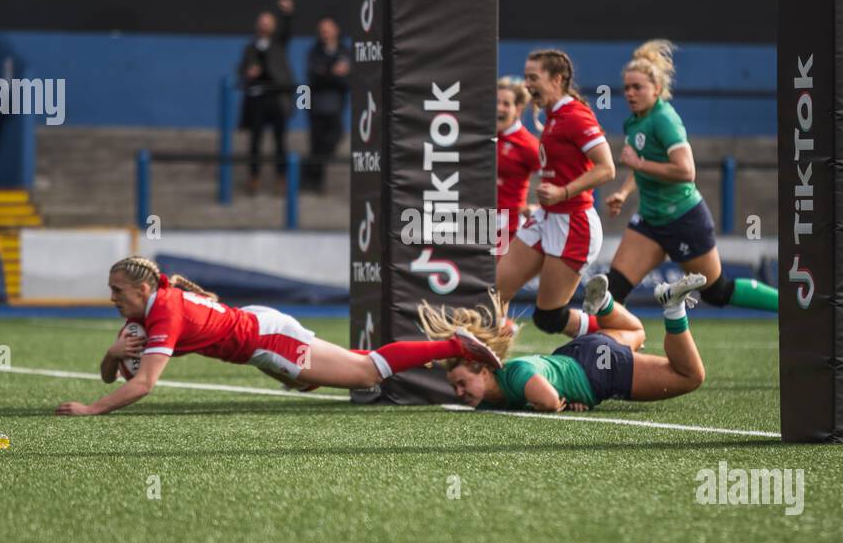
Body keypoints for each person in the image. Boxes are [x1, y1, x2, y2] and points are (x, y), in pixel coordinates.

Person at [54, 256, 503, 416]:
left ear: (143, 289)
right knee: (312, 378)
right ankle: (441, 348)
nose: (111, 297)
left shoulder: (163, 314)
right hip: (260, 337)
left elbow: (144, 384)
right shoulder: (149, 309)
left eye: (117, 291)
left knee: (366, 373)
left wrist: (92, 411)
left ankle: (455, 345)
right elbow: (116, 375)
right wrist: (111, 354)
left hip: (268, 340)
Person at [600, 41, 777, 314]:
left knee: (717, 292)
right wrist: (624, 192)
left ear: (657, 89)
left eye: (638, 87)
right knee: (613, 291)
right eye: (626, 88)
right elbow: (641, 167)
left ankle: (789, 306)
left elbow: (686, 172)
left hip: (683, 219)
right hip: (649, 221)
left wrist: (640, 163)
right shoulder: (634, 121)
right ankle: (613, 353)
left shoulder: (664, 119)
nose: (630, 93)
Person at [418, 273, 707, 412]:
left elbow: (545, 398)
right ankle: (604, 304)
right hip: (581, 352)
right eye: (456, 387)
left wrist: (561, 405)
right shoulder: (493, 394)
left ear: (483, 370)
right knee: (637, 333)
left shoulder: (515, 374)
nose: (458, 392)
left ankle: (673, 307)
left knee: (689, 376)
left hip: (596, 368)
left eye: (462, 383)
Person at [496, 49, 615, 339]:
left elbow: (607, 169)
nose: (527, 85)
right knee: (493, 293)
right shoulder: (553, 116)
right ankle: (482, 370)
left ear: (557, 79)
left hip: (574, 224)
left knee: (548, 318)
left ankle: (620, 327)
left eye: (533, 77)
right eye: (526, 77)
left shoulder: (575, 116)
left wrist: (563, 192)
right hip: (546, 218)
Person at [239, 0, 294, 194]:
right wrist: (248, 73)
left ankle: (282, 178)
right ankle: (253, 177)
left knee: (280, 141)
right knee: (255, 141)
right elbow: (241, 70)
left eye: (268, 23)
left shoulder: (278, 44)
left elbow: (287, 32)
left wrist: (287, 14)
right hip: (257, 100)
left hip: (276, 98)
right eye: (262, 23)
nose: (264, 26)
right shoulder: (250, 47)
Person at [304, 17, 349, 193]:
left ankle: (309, 172)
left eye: (328, 30)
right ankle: (314, 182)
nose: (325, 33)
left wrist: (328, 73)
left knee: (334, 138)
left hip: (336, 105)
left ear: (336, 30)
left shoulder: (344, 51)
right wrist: (333, 73)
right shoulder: (314, 51)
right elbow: (313, 76)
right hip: (315, 105)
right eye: (322, 30)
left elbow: (346, 78)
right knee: (316, 145)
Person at [495, 76, 540, 250]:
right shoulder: (483, 135)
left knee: (497, 277)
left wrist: (538, 208)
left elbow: (560, 176)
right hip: (474, 222)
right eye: (497, 102)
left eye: (506, 104)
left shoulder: (527, 144)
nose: (500, 107)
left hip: (507, 228)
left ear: (518, 109)